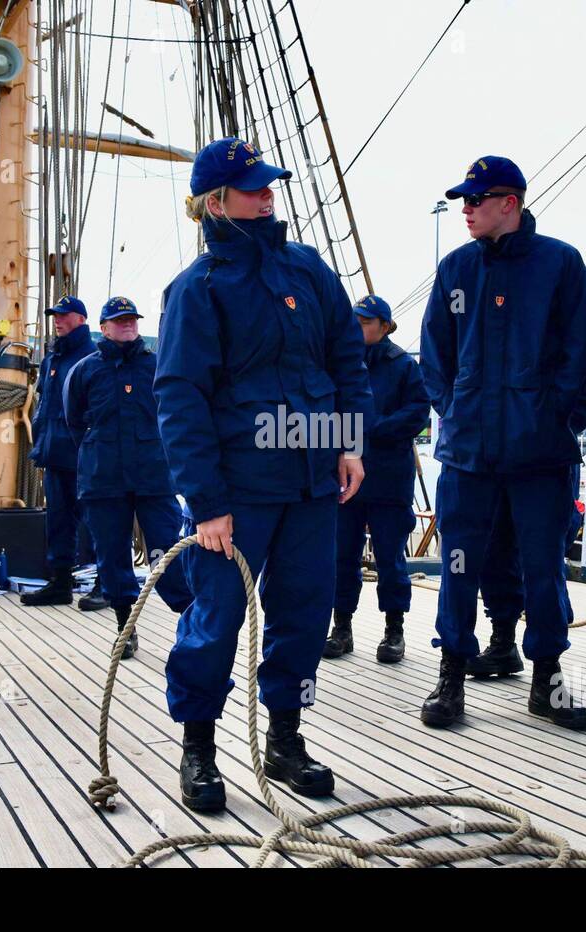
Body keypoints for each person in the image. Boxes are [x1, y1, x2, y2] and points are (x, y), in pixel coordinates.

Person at [155, 137, 372, 812]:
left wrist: (348, 442)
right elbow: (180, 397)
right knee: (215, 622)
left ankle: (285, 738)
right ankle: (198, 748)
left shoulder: (308, 271)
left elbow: (346, 361)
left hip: (312, 486)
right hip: (239, 494)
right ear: (216, 203)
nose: (268, 194)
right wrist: (208, 501)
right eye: (254, 188)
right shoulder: (197, 291)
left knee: (304, 616)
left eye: (268, 184)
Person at [419, 156, 586, 732]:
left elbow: (583, 349)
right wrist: (456, 409)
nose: (466, 210)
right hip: (468, 454)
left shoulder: (560, 266)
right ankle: (451, 677)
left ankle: (547, 681)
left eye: (476, 200)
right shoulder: (455, 271)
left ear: (510, 204)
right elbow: (435, 352)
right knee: (458, 564)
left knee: (544, 566)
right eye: (462, 202)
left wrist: (556, 419)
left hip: (540, 455)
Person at [64, 297, 193, 659]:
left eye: (132, 320)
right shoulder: (86, 371)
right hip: (104, 480)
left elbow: (178, 413)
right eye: (119, 321)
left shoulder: (157, 367)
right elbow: (75, 422)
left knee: (165, 553)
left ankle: (191, 622)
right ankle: (126, 627)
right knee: (112, 557)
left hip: (154, 479)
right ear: (104, 328)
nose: (128, 325)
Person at [469, 357, 586, 677]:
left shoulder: (563, 315)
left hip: (546, 460)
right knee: (493, 552)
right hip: (493, 458)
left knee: (543, 561)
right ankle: (503, 641)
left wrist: (549, 433)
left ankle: (547, 665)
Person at [324, 294, 429, 664]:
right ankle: (342, 629)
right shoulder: (341, 363)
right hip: (346, 479)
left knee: (390, 558)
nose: (357, 328)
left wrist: (373, 431)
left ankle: (394, 631)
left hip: (388, 478)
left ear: (385, 326)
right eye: (354, 321)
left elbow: (419, 410)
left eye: (365, 322)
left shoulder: (403, 366)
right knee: (341, 556)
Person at [23, 295, 107, 611]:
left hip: (84, 457)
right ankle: (60, 582)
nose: (57, 319)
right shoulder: (51, 360)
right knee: (58, 520)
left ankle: (106, 584)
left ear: (81, 320)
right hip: (54, 454)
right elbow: (45, 406)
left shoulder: (93, 357)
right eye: (55, 314)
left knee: (98, 521)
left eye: (64, 314)